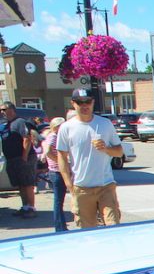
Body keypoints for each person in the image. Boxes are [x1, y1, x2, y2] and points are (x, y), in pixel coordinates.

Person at [56, 88, 125, 228]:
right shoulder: (66, 127)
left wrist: (106, 149)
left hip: (106, 185)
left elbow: (119, 152)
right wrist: (69, 184)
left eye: (87, 101)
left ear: (93, 102)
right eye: (80, 102)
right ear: (73, 104)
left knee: (114, 226)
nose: (84, 105)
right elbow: (61, 156)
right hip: (81, 187)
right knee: (87, 231)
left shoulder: (105, 124)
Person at [1, 101, 39, 217]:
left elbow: (26, 139)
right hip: (12, 159)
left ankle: (31, 208)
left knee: (27, 184)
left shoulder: (19, 122)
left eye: (3, 109)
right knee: (21, 184)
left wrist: (24, 156)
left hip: (23, 158)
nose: (1, 112)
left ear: (11, 110)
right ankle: (25, 206)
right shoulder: (7, 125)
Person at [41, 117, 69, 231]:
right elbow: (47, 151)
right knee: (58, 201)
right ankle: (59, 227)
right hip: (56, 171)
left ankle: (61, 226)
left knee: (59, 200)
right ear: (56, 127)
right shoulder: (53, 136)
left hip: (56, 171)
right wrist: (59, 161)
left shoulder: (54, 136)